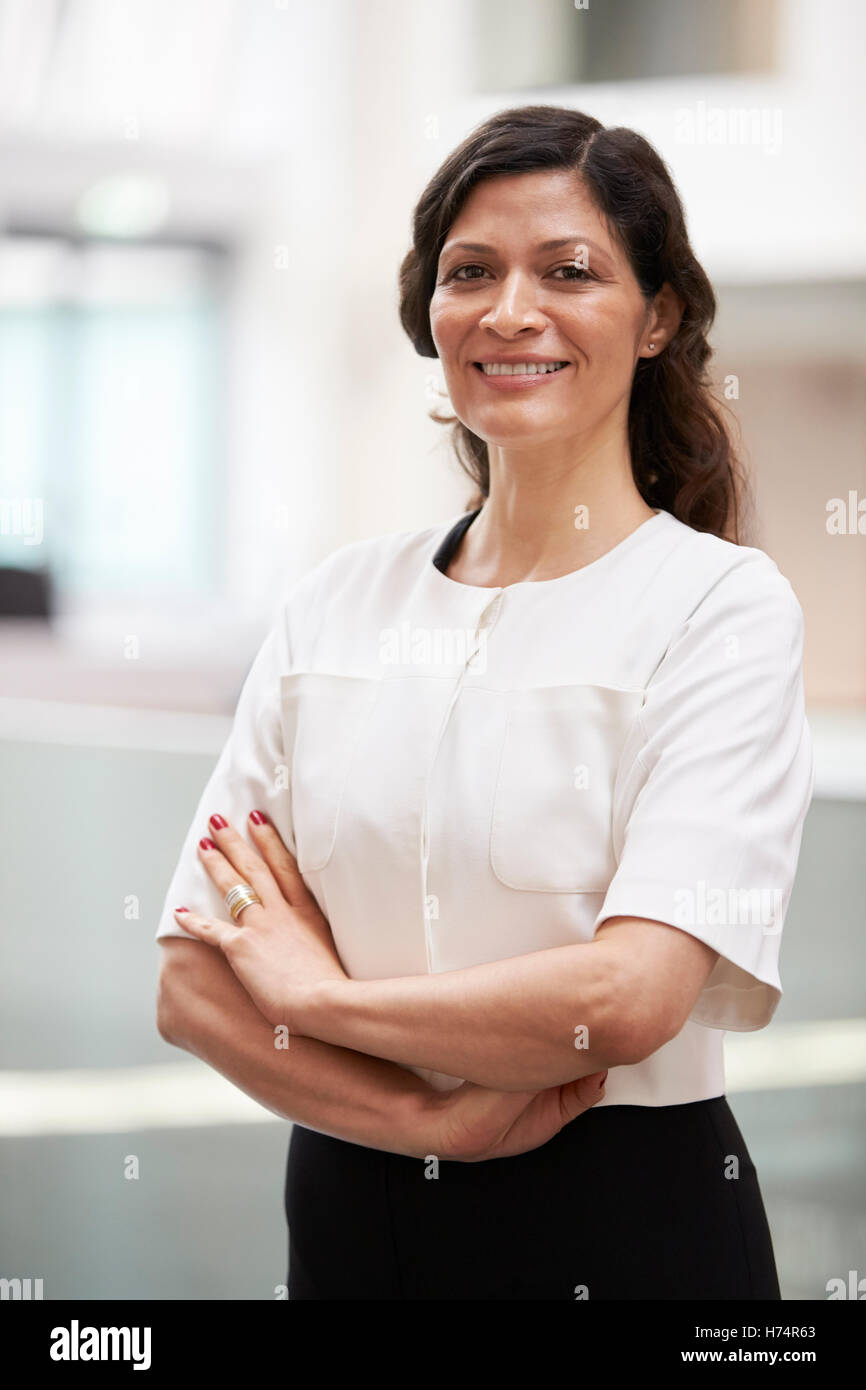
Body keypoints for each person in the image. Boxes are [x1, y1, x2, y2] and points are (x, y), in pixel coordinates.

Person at [155, 105, 814, 1300]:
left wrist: (319, 998)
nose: (510, 310)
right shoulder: (333, 606)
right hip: (352, 1217)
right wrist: (433, 1125)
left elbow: (622, 999)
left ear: (658, 316)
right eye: (471, 273)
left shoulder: (720, 607)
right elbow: (194, 987)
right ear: (432, 317)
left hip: (626, 1220)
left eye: (567, 271)